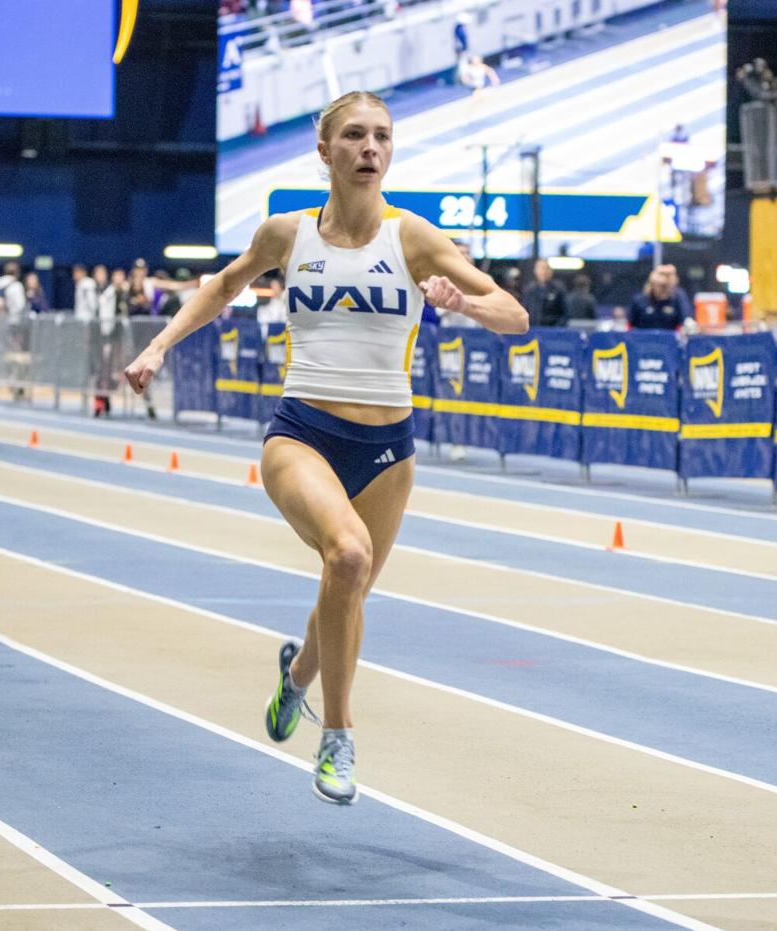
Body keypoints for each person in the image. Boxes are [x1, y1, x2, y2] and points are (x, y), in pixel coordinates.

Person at [123, 90, 527, 805]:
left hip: (387, 450)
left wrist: (462, 303)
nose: (370, 148)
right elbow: (219, 289)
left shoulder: (415, 238)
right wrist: (156, 346)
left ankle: (296, 676)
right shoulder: (287, 235)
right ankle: (337, 736)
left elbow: (514, 313)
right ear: (325, 152)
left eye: (381, 136)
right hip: (302, 431)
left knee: (347, 586)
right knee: (346, 555)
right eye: (353, 136)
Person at [522, 259, 569, 327]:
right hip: (533, 330)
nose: (544, 272)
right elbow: (524, 310)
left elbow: (565, 314)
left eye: (546, 269)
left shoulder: (559, 289)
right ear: (535, 271)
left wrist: (557, 329)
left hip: (552, 330)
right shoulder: (529, 289)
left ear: (551, 271)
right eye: (541, 269)